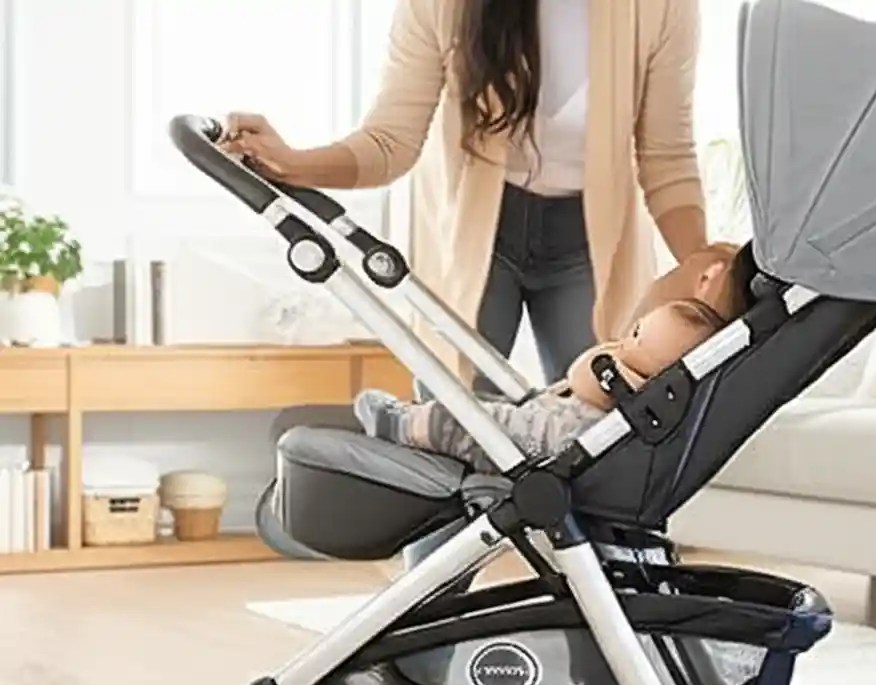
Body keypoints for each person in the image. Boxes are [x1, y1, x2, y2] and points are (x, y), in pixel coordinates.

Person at [219, 0, 712, 392]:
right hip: (474, 236)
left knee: (603, 423)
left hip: (591, 241)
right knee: (459, 425)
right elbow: (389, 144)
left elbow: (666, 158)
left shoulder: (661, 7)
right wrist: (292, 163)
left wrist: (708, 274)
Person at [353, 298, 727, 473]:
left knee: (478, 424)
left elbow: (581, 375)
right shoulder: (649, 393)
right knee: (490, 408)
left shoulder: (627, 386)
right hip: (551, 421)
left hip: (548, 442)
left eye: (639, 336)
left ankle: (404, 424)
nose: (629, 337)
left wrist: (611, 353)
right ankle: (434, 410)